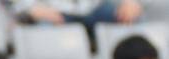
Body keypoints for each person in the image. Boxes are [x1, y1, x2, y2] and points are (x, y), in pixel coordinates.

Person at [14, 0, 143, 29]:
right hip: (54, 12)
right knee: (42, 28)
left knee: (131, 17)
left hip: (95, 8)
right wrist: (31, 9)